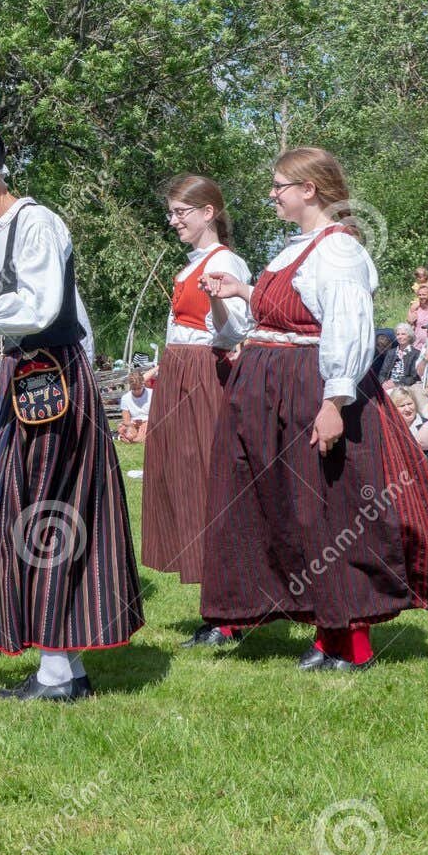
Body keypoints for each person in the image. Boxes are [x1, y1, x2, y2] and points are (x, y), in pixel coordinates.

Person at [200, 146, 428, 672]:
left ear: (308, 189)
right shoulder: (295, 249)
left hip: (312, 388)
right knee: (287, 507)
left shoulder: (338, 250)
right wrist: (242, 290)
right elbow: (291, 311)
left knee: (330, 512)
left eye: (279, 186)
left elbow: (347, 328)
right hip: (272, 392)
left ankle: (350, 644)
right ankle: (319, 629)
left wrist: (333, 401)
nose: (272, 194)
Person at [0, 117, 143, 701]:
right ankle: (63, 669)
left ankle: (57, 674)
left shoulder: (35, 222)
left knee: (48, 512)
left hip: (54, 383)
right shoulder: (0, 236)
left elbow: (40, 308)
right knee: (37, 514)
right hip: (30, 380)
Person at [140, 174, 251, 648]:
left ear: (209, 212)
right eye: (170, 213)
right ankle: (221, 610)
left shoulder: (224, 262)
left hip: (205, 374)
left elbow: (234, 331)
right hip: (182, 372)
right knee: (181, 482)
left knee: (208, 486)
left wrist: (214, 301)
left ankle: (228, 615)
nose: (173, 221)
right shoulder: (193, 264)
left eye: (181, 212)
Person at [379, 323, 420, 389]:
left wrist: (396, 384)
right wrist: (383, 383)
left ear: (409, 336)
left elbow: (413, 377)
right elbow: (382, 373)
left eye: (403, 334)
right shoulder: (391, 353)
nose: (400, 337)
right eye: (398, 334)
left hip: (405, 387)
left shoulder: (416, 353)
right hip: (388, 386)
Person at [116, 367, 151, 442]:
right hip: (134, 424)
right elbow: (126, 420)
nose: (137, 391)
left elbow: (158, 416)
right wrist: (132, 424)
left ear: (143, 384)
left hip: (149, 422)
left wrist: (145, 423)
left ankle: (133, 439)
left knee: (146, 427)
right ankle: (133, 438)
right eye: (134, 389)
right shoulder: (125, 398)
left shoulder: (152, 394)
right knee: (122, 427)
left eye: (139, 388)